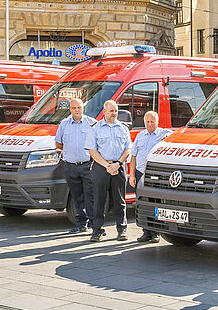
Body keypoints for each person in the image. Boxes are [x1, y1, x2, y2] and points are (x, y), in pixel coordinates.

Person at [87, 100, 132, 242]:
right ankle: (97, 231)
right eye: (111, 111)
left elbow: (128, 149)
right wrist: (107, 166)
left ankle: (122, 230)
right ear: (104, 111)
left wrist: (118, 164)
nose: (114, 114)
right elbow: (92, 151)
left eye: (116, 111)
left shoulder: (123, 128)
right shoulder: (96, 128)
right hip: (101, 167)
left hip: (118, 166)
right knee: (99, 201)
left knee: (120, 200)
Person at [130, 110, 171, 243]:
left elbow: (178, 136)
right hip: (141, 173)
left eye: (152, 121)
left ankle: (155, 233)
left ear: (157, 122)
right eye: (147, 122)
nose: (150, 124)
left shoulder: (164, 134)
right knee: (142, 204)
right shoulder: (140, 136)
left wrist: (169, 138)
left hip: (156, 175)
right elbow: (133, 156)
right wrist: (131, 175)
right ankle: (145, 232)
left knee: (155, 203)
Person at [57, 97, 96, 234]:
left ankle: (94, 223)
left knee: (90, 195)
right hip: (71, 166)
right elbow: (58, 143)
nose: (77, 110)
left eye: (79, 107)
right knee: (76, 195)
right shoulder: (64, 124)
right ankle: (81, 224)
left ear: (83, 108)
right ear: (70, 109)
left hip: (88, 165)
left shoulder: (92, 124)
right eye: (74, 108)